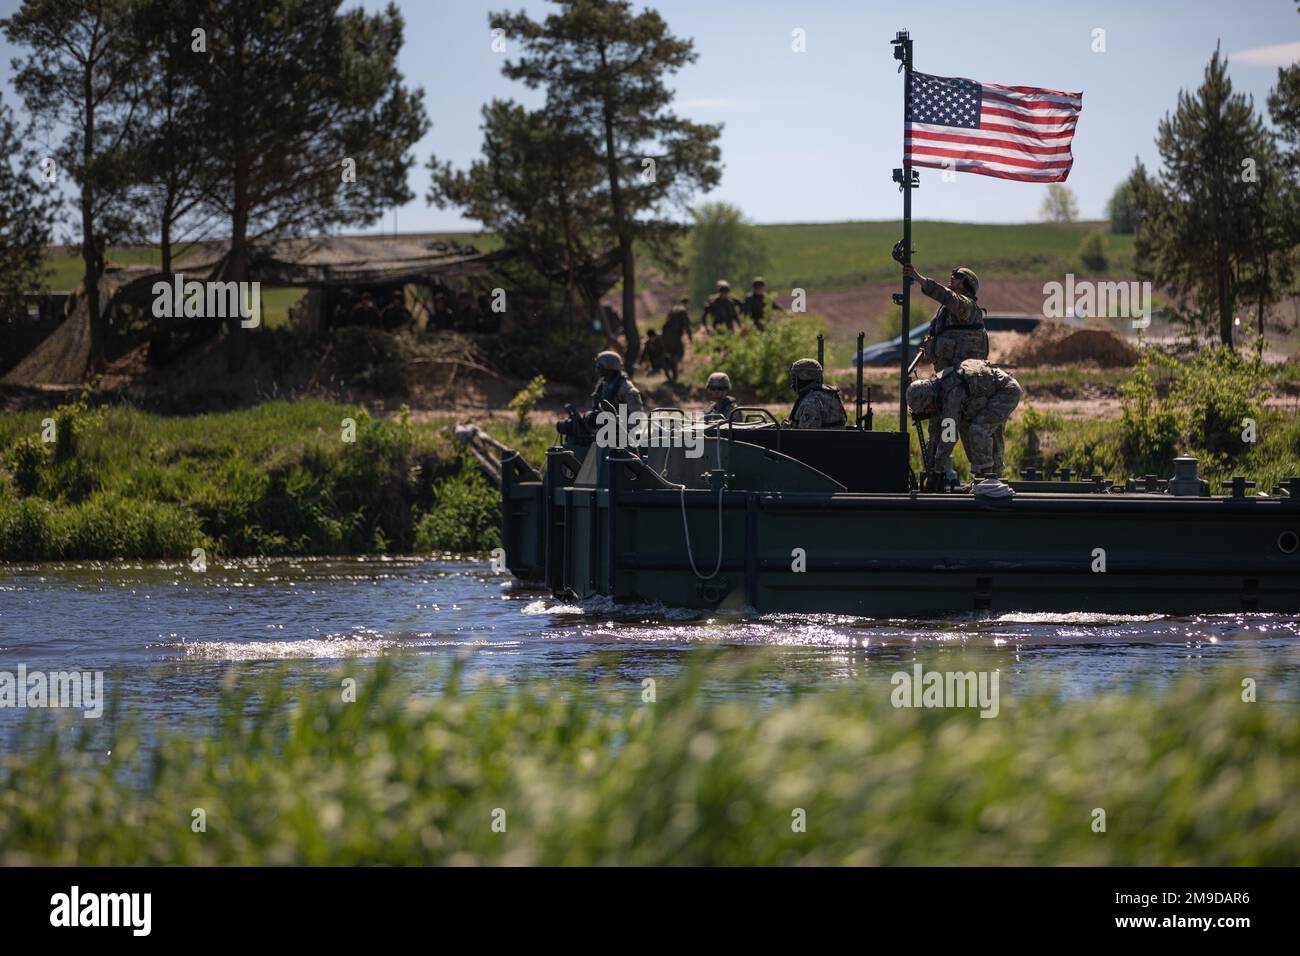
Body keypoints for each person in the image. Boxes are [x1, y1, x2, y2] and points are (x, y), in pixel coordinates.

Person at [906, 358, 1023, 492]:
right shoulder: (938, 388)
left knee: (978, 429)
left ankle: (985, 479)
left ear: (928, 400)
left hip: (1006, 391)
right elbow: (942, 431)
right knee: (967, 428)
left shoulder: (950, 394)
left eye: (927, 408)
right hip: (987, 396)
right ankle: (982, 477)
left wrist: (937, 470)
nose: (929, 411)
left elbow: (949, 436)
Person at [902, 263, 989, 372]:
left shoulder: (967, 306)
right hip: (947, 373)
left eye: (957, 277)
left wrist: (917, 277)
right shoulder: (947, 310)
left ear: (966, 283)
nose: (952, 278)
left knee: (916, 389)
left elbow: (947, 296)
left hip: (963, 375)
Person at [784, 358, 847, 429]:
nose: (792, 384)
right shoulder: (830, 395)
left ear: (804, 377)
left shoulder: (811, 401)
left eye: (794, 378)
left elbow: (805, 436)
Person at [591, 349, 643, 416]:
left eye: (600, 366)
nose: (597, 369)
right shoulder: (602, 384)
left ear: (610, 368)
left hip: (621, 425)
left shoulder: (626, 389)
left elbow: (636, 417)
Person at [660, 297, 693, 382]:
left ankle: (673, 377)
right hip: (675, 337)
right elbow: (687, 326)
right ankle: (668, 364)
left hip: (665, 335)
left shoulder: (673, 309)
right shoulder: (683, 311)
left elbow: (666, 322)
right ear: (686, 304)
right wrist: (690, 338)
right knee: (679, 354)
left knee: (671, 354)